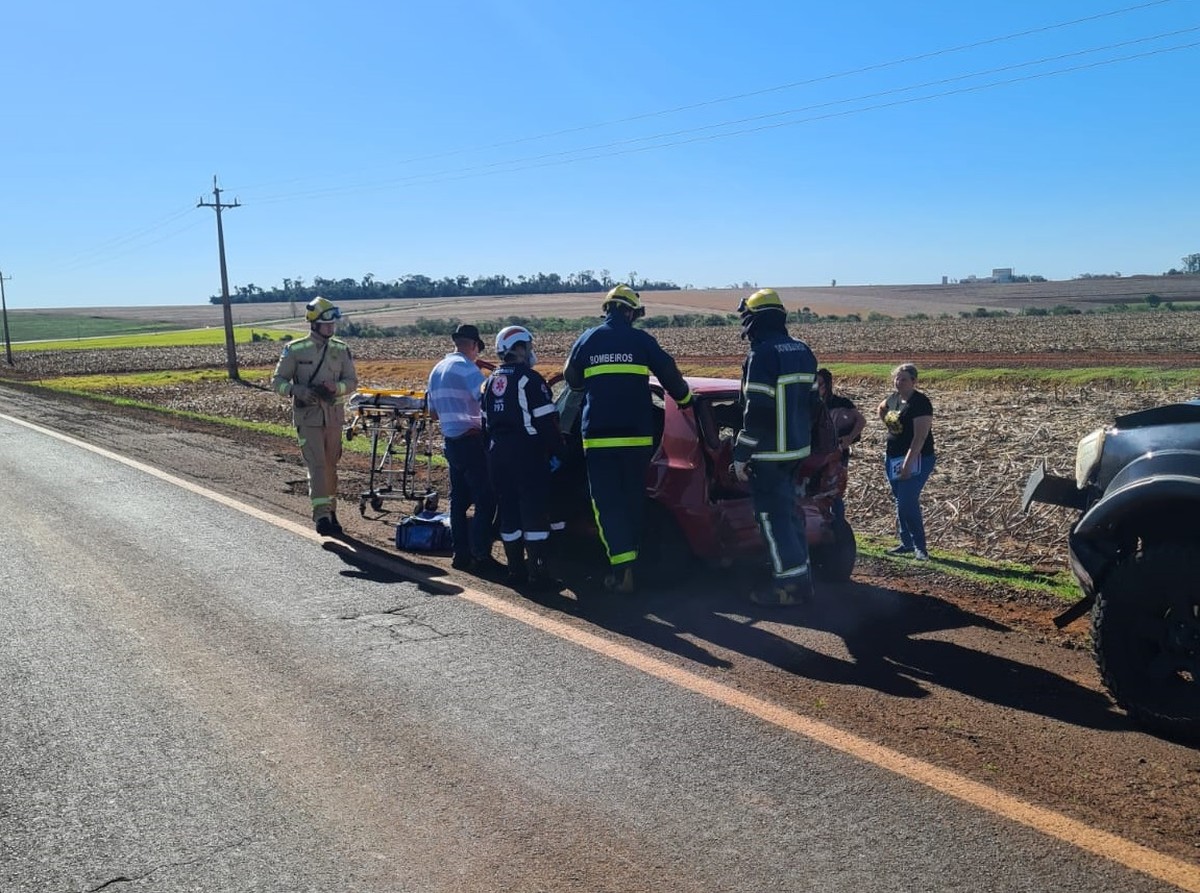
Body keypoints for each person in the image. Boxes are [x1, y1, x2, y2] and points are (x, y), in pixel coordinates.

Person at [563, 285, 692, 594]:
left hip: (599, 440)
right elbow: (670, 374)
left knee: (607, 504)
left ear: (607, 309)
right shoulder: (641, 340)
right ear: (631, 312)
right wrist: (686, 400)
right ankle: (638, 561)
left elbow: (571, 377)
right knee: (634, 499)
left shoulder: (588, 339)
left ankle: (622, 573)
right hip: (637, 439)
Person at [732, 288, 819, 606]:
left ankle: (788, 588)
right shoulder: (803, 350)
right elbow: (813, 404)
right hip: (796, 452)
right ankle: (802, 580)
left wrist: (741, 454)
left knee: (773, 519)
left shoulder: (762, 355)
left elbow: (757, 412)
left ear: (755, 320)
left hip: (768, 455)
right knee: (789, 515)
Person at [481, 325, 564, 588]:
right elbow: (547, 423)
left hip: (497, 455)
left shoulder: (490, 381)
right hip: (527, 455)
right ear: (517, 348)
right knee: (533, 513)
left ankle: (515, 571)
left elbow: (484, 424)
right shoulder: (530, 379)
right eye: (528, 346)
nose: (530, 351)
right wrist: (560, 452)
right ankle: (539, 575)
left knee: (508, 513)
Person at [271, 296, 358, 536]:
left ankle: (331, 511)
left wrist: (336, 388)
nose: (330, 328)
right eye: (326, 324)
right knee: (317, 465)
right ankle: (321, 516)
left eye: (332, 324)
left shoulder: (341, 349)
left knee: (331, 467)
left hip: (333, 418)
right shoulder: (295, 349)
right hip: (308, 417)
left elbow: (352, 381)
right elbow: (277, 381)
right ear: (314, 324)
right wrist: (297, 390)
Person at [426, 323, 500, 573]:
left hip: (451, 442)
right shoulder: (468, 369)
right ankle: (481, 554)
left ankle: (460, 553)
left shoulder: (437, 369)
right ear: (473, 345)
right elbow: (487, 402)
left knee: (457, 501)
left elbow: (433, 413)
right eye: (478, 349)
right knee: (485, 499)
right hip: (472, 441)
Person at [877, 362, 936, 560]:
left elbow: (919, 437)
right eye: (897, 378)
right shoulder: (894, 398)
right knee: (900, 500)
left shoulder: (920, 403)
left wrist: (908, 463)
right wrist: (890, 425)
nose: (898, 382)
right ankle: (907, 543)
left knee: (907, 501)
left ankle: (920, 547)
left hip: (917, 458)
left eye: (903, 379)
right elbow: (881, 408)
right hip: (893, 457)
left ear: (913, 381)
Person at [816, 367, 866, 520]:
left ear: (827, 385)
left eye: (820, 384)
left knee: (834, 490)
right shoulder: (809, 403)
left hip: (837, 453)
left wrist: (849, 438)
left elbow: (861, 420)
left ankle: (837, 524)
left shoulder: (841, 403)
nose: (817, 387)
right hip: (815, 453)